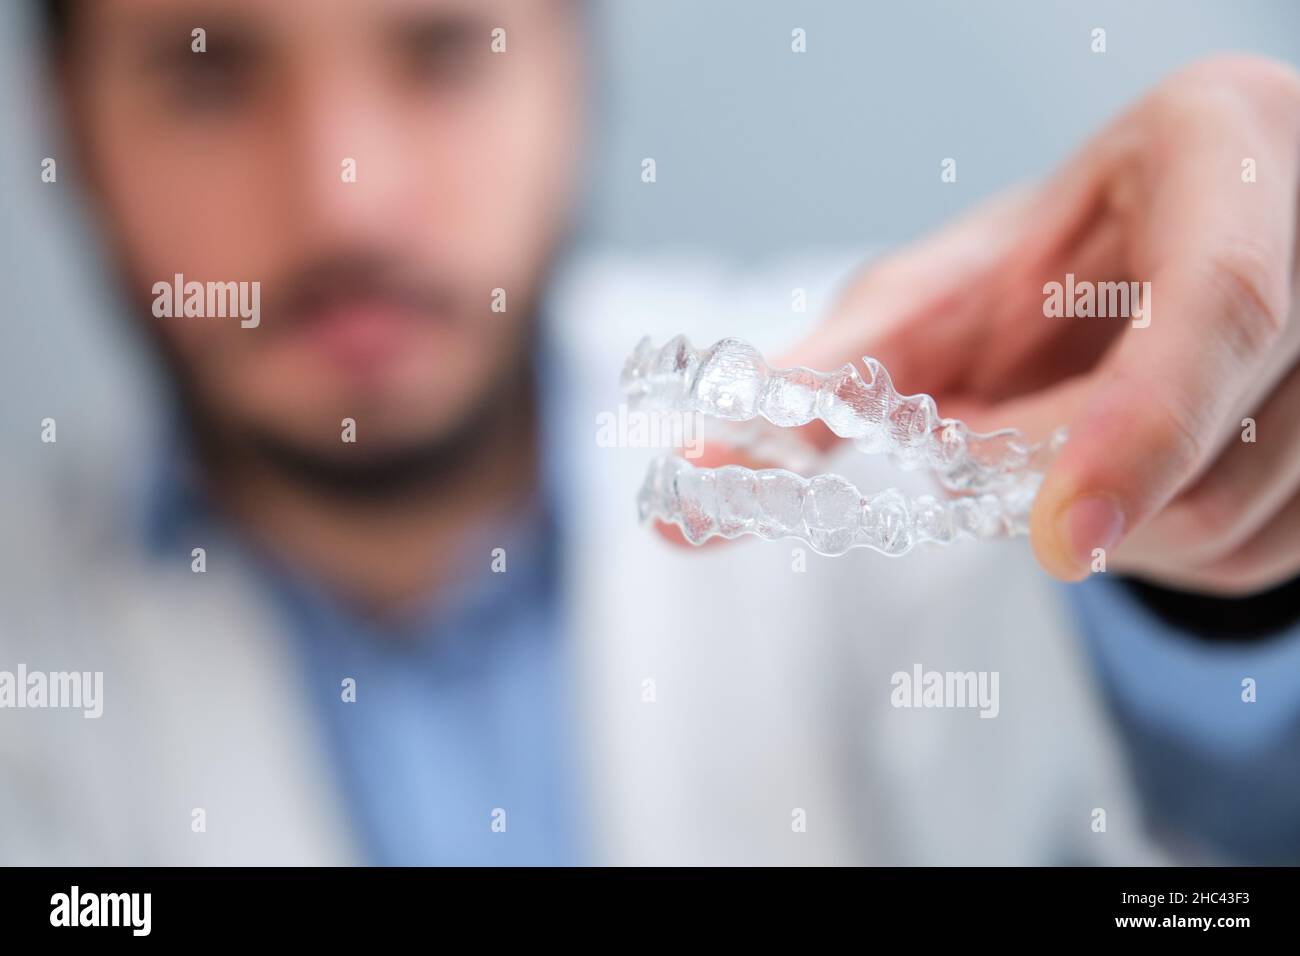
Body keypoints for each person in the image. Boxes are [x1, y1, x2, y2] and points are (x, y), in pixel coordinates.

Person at [3, 0, 1299, 864]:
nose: (349, 196)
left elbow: (1209, 812)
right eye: (207, 71)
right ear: (68, 123)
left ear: (577, 58)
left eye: (444, 48)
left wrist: (1213, 550)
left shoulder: (873, 422)